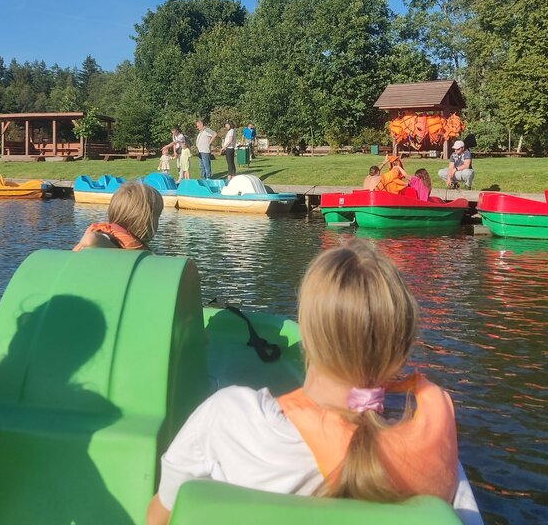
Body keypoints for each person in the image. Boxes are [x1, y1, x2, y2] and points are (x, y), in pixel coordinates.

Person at [146, 240, 459, 524]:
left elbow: (158, 517)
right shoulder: (430, 453)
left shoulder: (227, 417)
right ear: (399, 355)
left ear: (307, 335)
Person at [74, 181, 164, 251]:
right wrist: (118, 252)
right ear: (146, 221)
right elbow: (90, 240)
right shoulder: (114, 239)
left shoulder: (123, 240)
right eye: (157, 217)